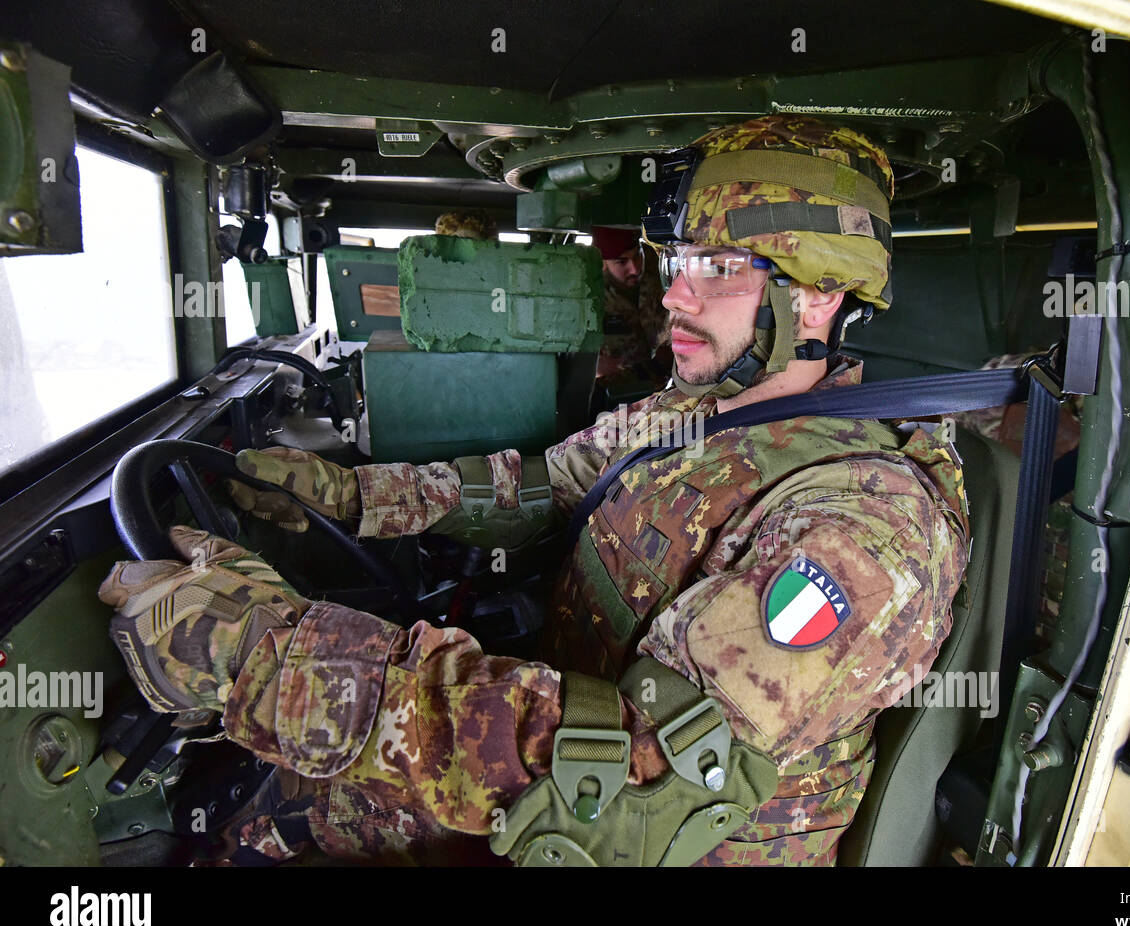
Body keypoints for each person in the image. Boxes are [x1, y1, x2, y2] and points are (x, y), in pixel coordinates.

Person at [98, 115, 970, 866]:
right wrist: (347, 498)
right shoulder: (700, 413)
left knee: (288, 811)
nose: (672, 294)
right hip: (561, 752)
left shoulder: (865, 528)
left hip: (650, 835)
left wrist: (263, 660)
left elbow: (645, 770)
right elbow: (547, 484)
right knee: (284, 795)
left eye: (713, 265)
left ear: (816, 295)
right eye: (675, 262)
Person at [589, 225, 671, 398]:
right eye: (621, 261)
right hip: (617, 389)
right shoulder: (587, 290)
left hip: (667, 382)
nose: (634, 268)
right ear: (602, 263)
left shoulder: (662, 266)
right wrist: (590, 364)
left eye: (637, 255)